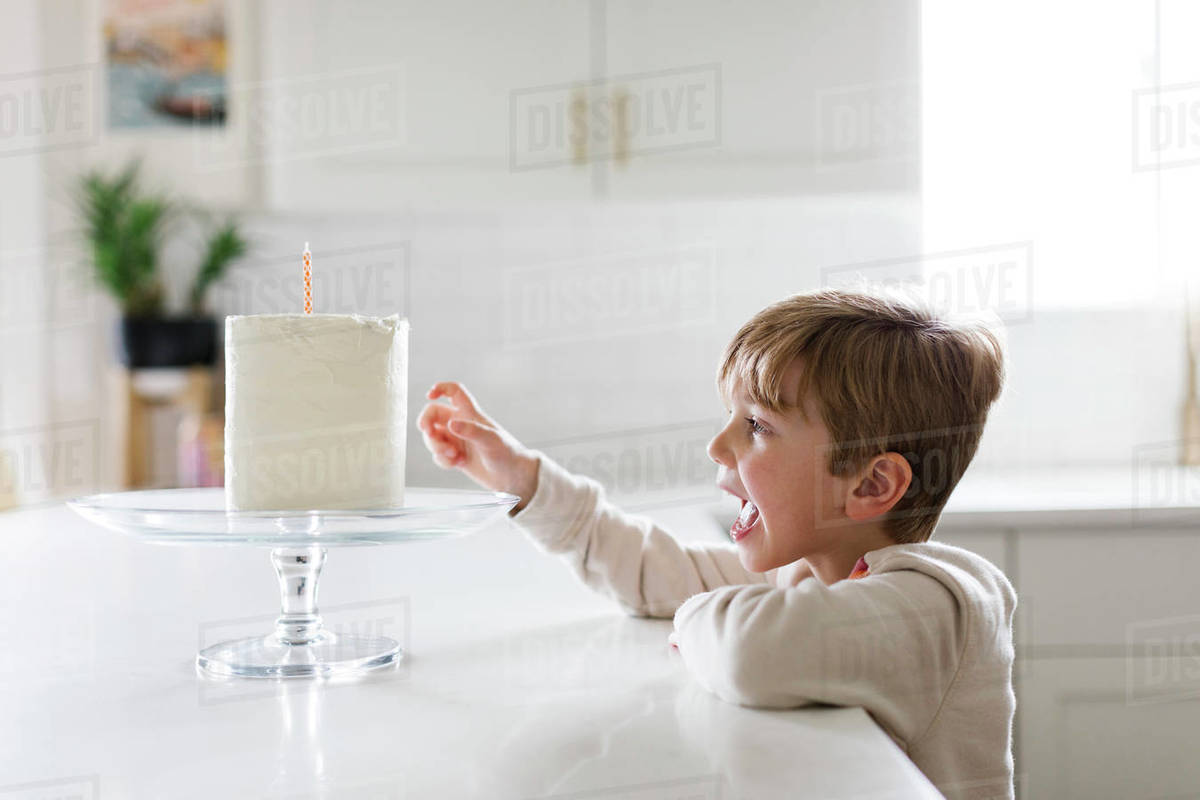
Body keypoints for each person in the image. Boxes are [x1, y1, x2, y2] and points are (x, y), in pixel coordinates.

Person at [418, 287, 1016, 800]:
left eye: (756, 425)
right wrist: (523, 480)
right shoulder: (813, 573)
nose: (717, 444)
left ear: (870, 484)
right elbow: (655, 571)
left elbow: (750, 650)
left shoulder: (943, 603)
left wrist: (699, 618)